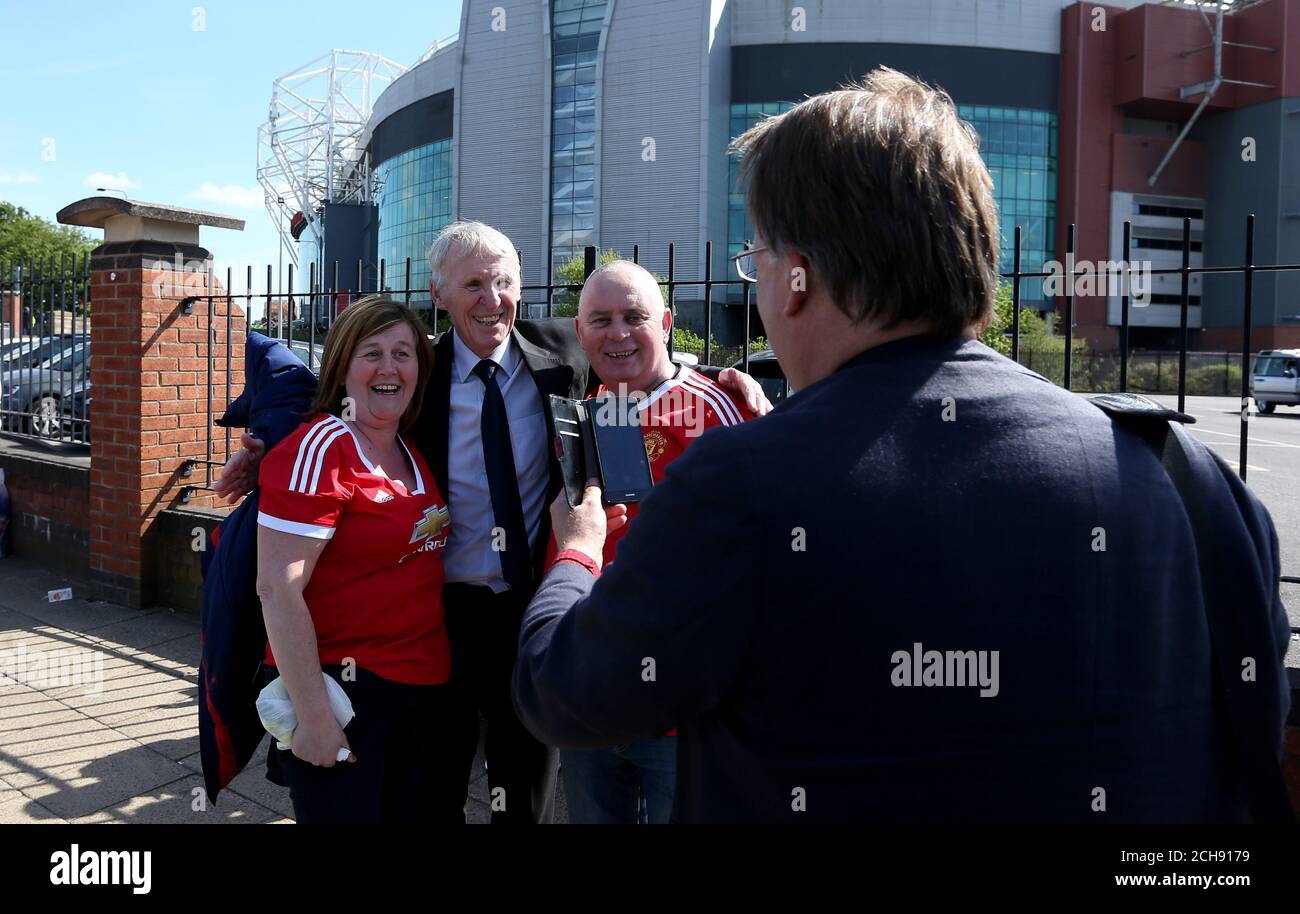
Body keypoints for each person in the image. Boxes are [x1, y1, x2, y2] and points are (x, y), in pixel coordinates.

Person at [512, 68, 1292, 823]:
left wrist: (577, 554)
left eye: (757, 259)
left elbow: (564, 691)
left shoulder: (745, 484)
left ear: (797, 278)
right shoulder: (1189, 477)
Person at [217, 221, 772, 823]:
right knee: (431, 791)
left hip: (532, 610)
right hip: (437, 616)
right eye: (473, 283)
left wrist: (722, 375)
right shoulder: (415, 369)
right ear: (439, 293)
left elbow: (635, 351)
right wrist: (268, 444)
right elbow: (354, 394)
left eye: (504, 281)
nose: (491, 298)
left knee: (527, 791)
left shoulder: (562, 356)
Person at [556, 260, 756, 824]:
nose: (617, 332)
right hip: (596, 690)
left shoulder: (719, 409)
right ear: (580, 333)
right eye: (601, 319)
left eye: (634, 317)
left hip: (683, 706)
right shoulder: (584, 411)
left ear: (666, 323)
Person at [255, 295, 460, 824]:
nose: (389, 368)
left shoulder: (411, 449)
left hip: (426, 691)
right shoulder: (321, 448)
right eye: (372, 353)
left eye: (403, 353)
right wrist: (315, 718)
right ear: (342, 365)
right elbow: (277, 590)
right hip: (346, 697)